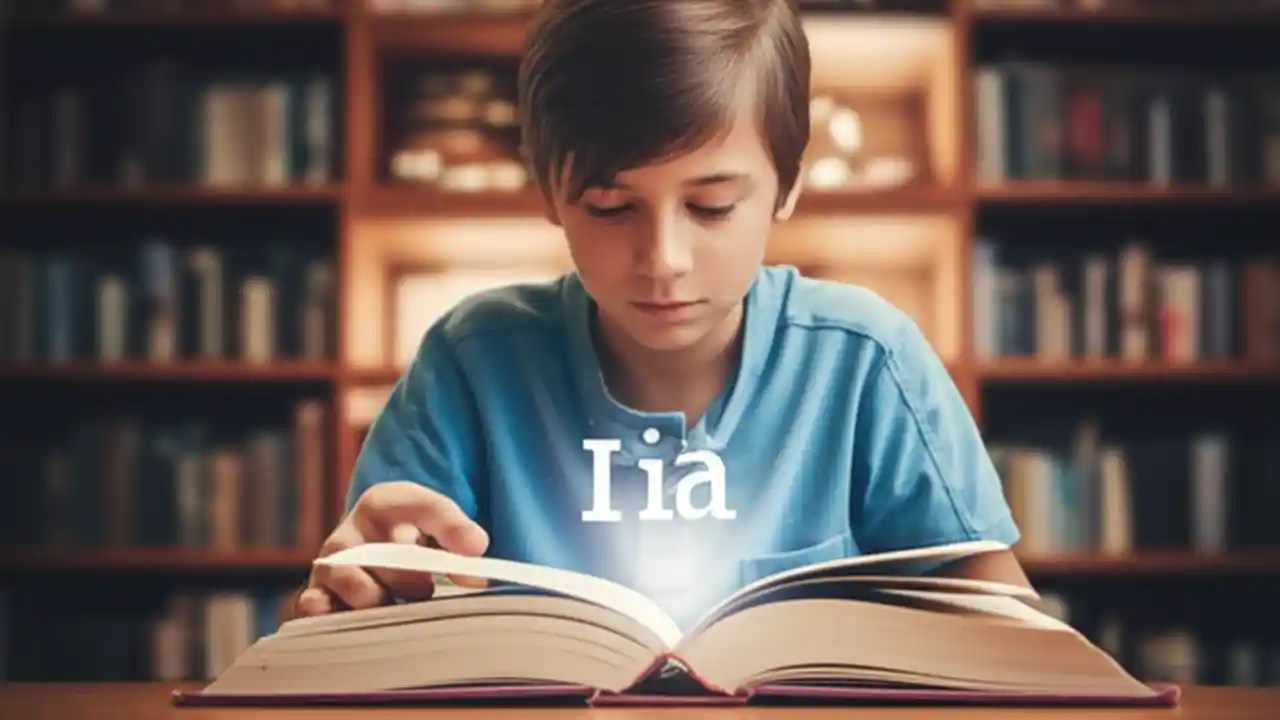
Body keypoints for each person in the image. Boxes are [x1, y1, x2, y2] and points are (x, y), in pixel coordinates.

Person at [291, 0, 1028, 628]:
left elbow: (1014, 646)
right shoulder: (470, 364)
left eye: (711, 206)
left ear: (787, 185)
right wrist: (350, 604)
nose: (663, 257)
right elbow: (357, 621)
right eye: (612, 207)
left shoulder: (868, 359)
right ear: (551, 190)